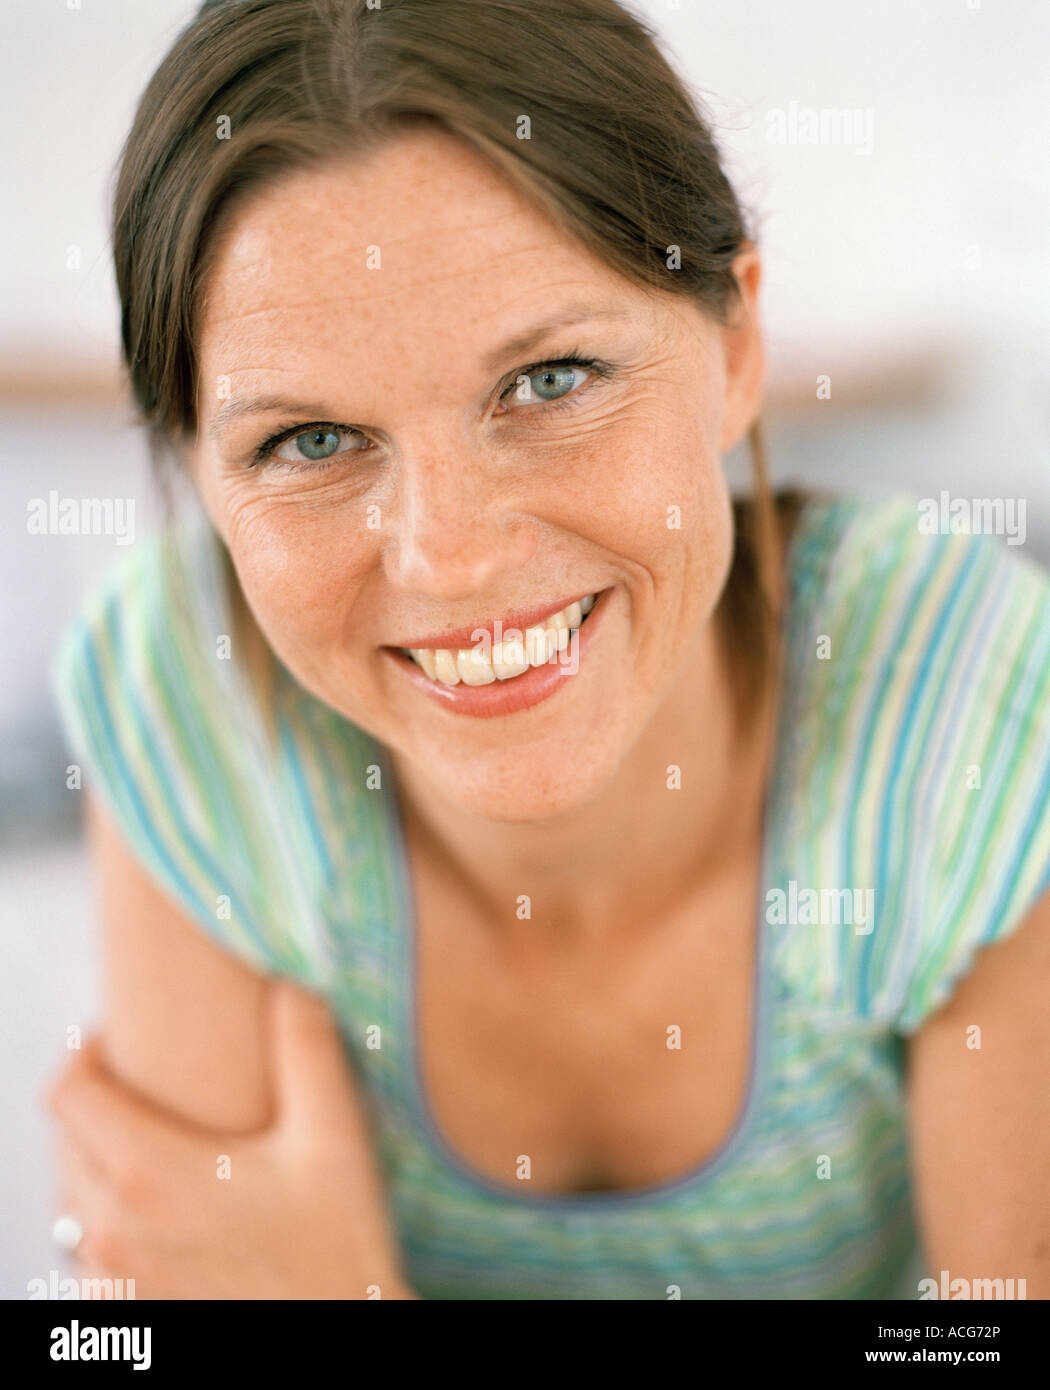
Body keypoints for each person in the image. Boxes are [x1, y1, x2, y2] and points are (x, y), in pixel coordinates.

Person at [46, 0, 1050, 1300]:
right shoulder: (182, 697)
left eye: (549, 379)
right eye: (306, 441)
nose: (449, 559)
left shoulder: (964, 703)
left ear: (737, 343)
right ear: (194, 466)